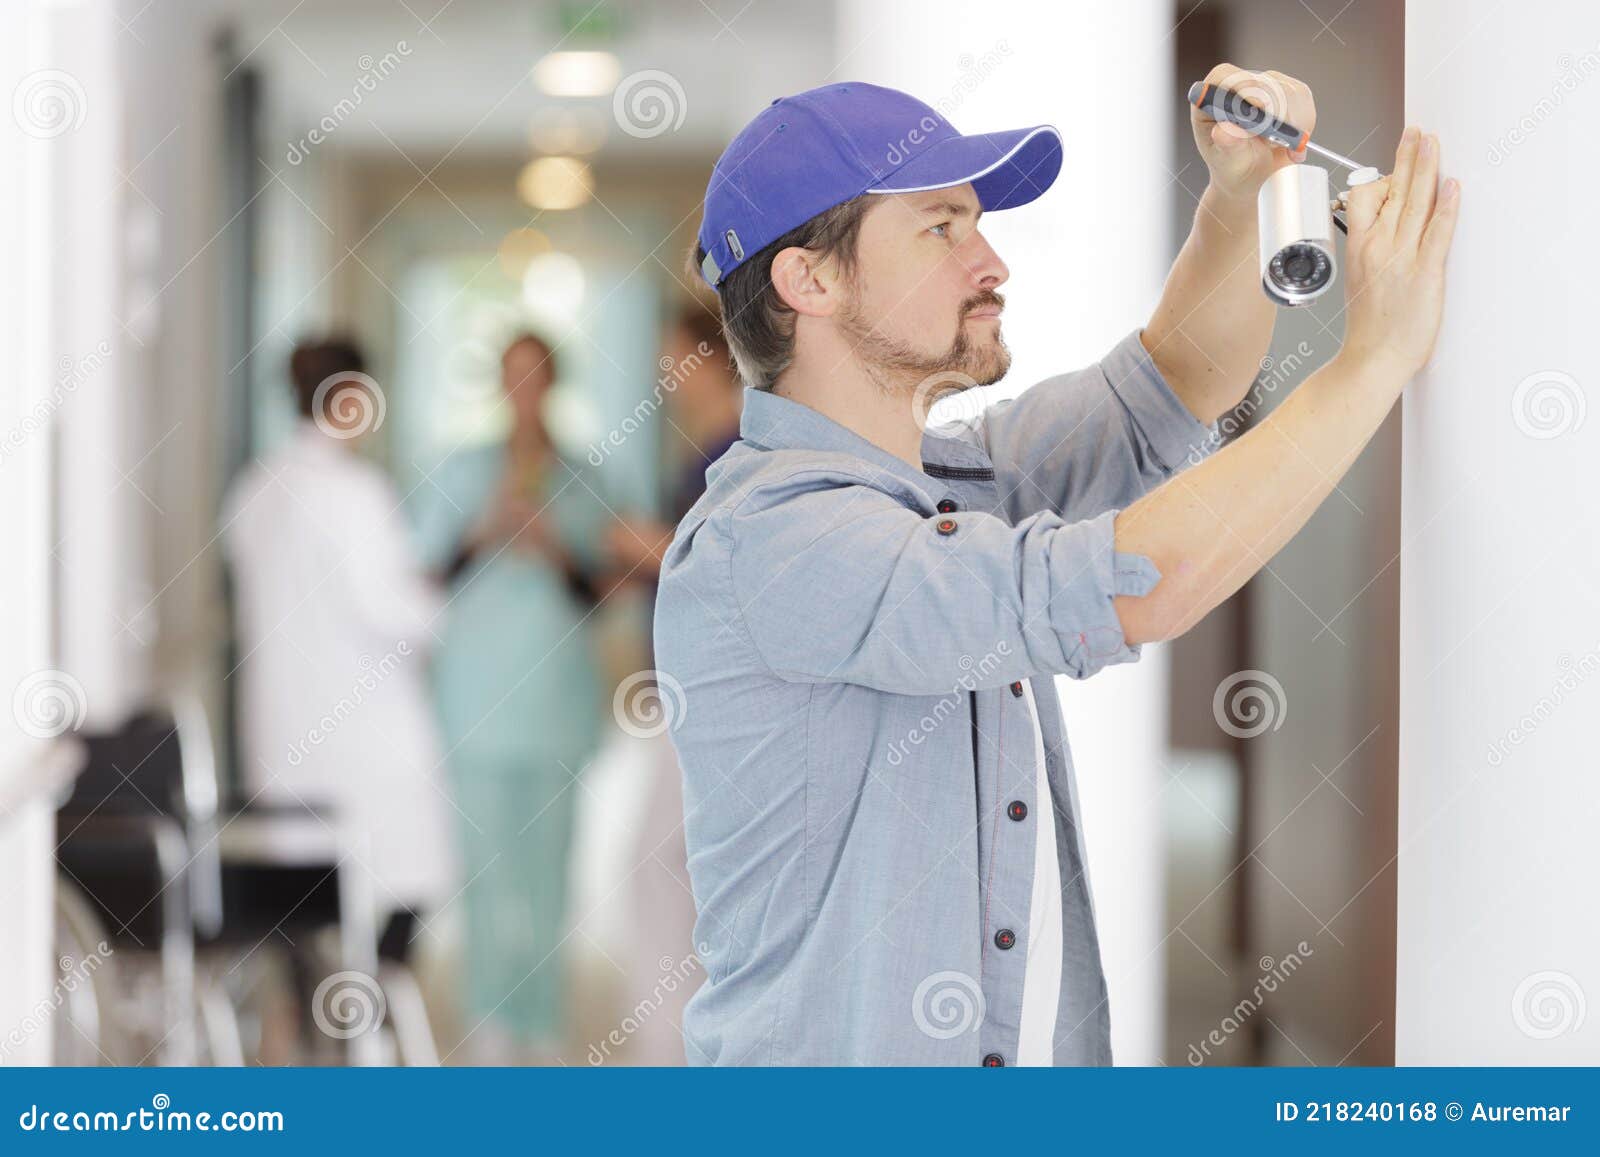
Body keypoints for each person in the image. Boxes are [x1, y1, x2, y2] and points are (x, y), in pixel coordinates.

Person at [653, 72, 1459, 1065]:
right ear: (808, 281)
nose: (989, 260)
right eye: (940, 229)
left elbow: (1171, 382)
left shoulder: (958, 479)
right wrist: (1368, 359)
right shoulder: (771, 538)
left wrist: (1238, 193)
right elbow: (1139, 579)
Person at [412, 332, 613, 1064]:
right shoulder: (460, 472)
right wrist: (481, 533)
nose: (522, 392)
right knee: (486, 871)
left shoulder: (588, 479)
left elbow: (606, 592)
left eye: (534, 378)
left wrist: (555, 547)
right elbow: (422, 580)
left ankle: (542, 1016)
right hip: (475, 705)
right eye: (510, 378)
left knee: (549, 872)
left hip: (557, 708)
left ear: (553, 384)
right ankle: (491, 1015)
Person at [223, 337, 455, 969]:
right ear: (352, 398)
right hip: (366, 734)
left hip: (283, 729)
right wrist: (440, 599)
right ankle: (369, 1029)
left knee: (305, 900)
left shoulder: (253, 488)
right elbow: (393, 612)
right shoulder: (355, 492)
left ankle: (315, 1036)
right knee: (398, 888)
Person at [604, 308, 741, 1063]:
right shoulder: (701, 456)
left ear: (713, 359)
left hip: (706, 696)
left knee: (656, 866)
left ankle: (673, 1048)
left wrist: (647, 544)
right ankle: (677, 1043)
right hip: (682, 688)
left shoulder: (739, 452)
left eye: (674, 365)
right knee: (667, 868)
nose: (667, 383)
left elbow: (721, 563)